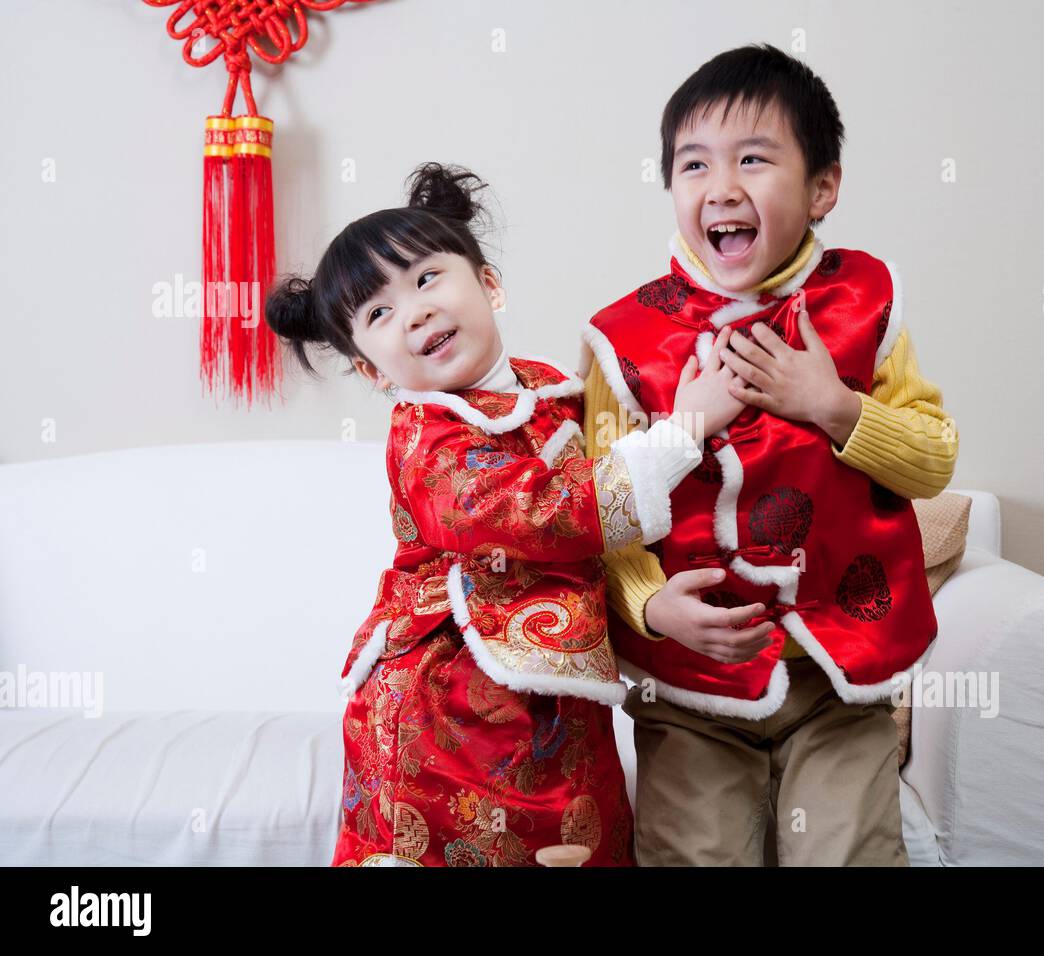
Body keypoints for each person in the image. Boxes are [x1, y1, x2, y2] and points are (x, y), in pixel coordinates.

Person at [265, 162, 744, 866]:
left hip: (560, 689)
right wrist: (680, 435)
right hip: (444, 696)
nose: (416, 312)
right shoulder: (424, 439)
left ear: (489, 284)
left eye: (427, 279)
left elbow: (611, 505)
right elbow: (539, 511)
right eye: (379, 313)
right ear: (372, 370)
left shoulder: (553, 387)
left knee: (580, 834)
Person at [580, 44, 961, 865]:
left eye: (754, 158)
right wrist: (650, 607)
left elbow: (933, 461)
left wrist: (834, 406)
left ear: (822, 187)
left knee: (848, 853)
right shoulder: (623, 341)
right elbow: (600, 511)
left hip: (838, 681)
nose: (721, 187)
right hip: (689, 689)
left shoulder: (866, 306)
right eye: (694, 165)